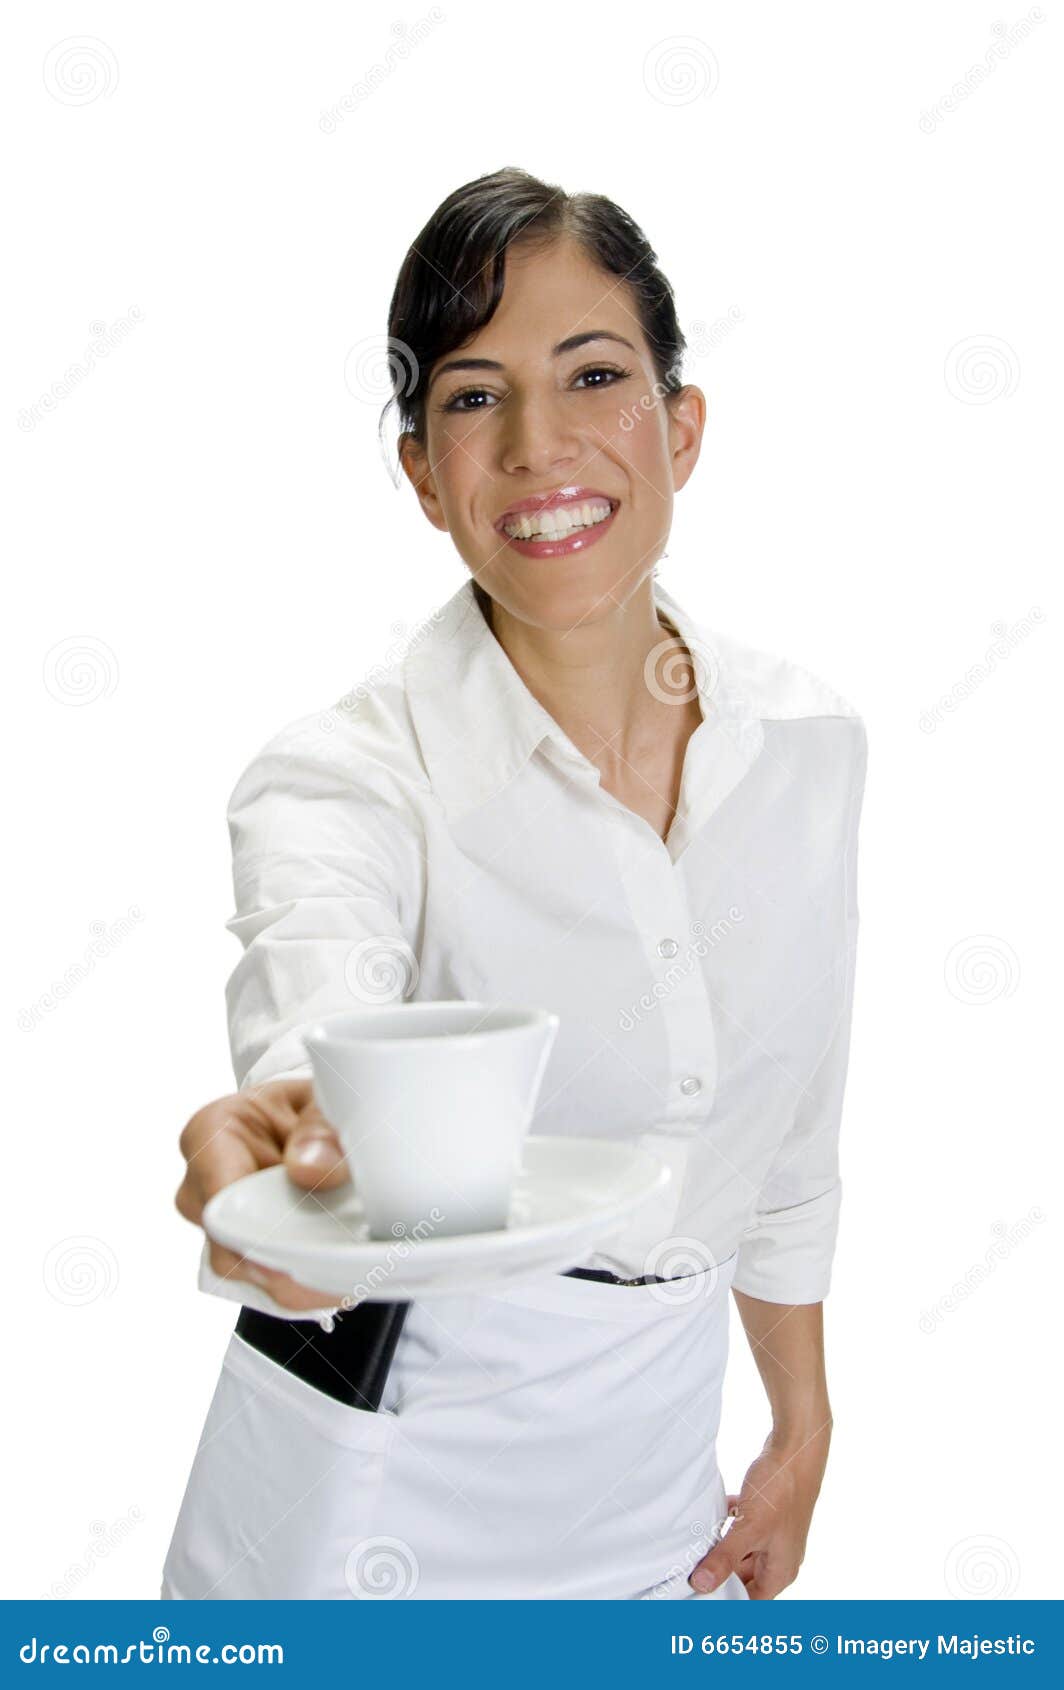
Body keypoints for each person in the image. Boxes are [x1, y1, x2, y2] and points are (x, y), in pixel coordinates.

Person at [162, 166, 868, 1601]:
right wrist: (296, 1177)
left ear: (681, 425)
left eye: (593, 375)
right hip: (380, 1494)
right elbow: (315, 1032)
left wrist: (801, 1423)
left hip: (661, 1491)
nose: (542, 446)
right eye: (474, 398)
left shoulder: (805, 748)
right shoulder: (345, 779)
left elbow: (791, 1139)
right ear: (423, 471)